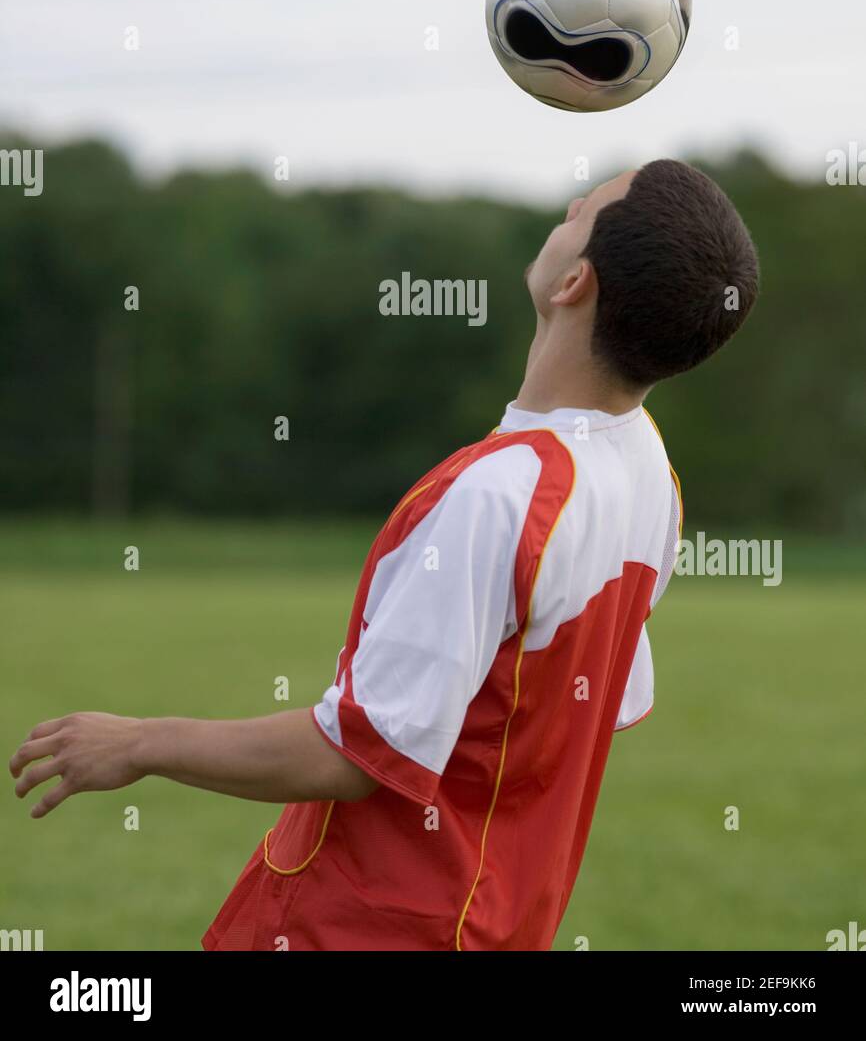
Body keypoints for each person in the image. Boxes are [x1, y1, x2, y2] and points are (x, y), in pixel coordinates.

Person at [9, 159, 759, 951]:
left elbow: (355, 754)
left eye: (588, 207)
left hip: (373, 929)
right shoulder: (650, 475)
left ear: (575, 283)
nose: (571, 202)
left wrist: (136, 743)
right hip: (498, 926)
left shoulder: (499, 496)